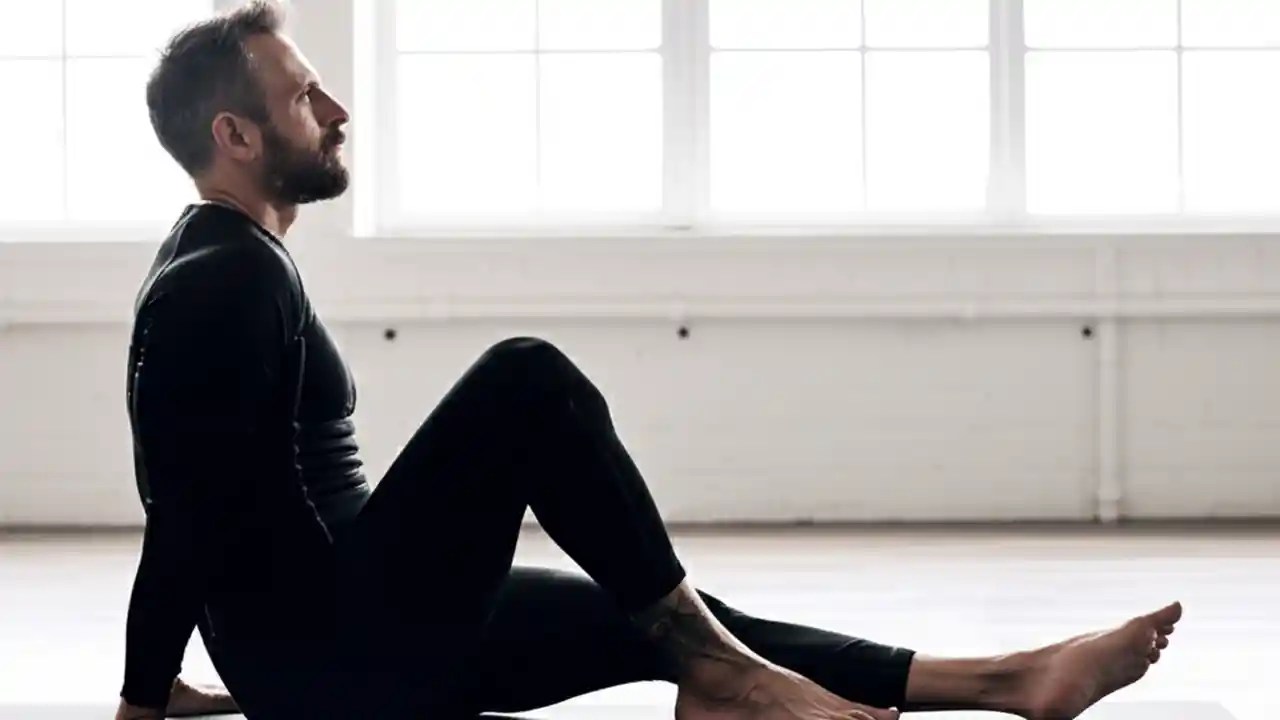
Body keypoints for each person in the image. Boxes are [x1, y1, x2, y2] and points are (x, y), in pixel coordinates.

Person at [115, 2, 1182, 719]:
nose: (337, 110)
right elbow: (188, 511)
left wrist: (177, 683)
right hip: (340, 652)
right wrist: (143, 695)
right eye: (306, 98)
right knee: (524, 379)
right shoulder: (227, 279)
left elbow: (198, 497)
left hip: (343, 637)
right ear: (237, 136)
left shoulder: (224, 260)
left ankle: (1008, 678)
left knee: (666, 614)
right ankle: (725, 674)